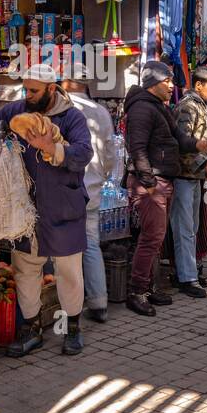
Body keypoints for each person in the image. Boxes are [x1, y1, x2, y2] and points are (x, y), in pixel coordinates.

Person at [0, 64, 93, 356]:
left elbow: (84, 153)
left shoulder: (72, 117)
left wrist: (53, 149)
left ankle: (71, 328)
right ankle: (32, 329)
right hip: (24, 209)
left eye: (34, 90)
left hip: (63, 207)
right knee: (26, 268)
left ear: (52, 89)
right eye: (26, 89)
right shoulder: (16, 111)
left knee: (68, 272)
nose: (28, 95)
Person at [124, 60, 207, 316]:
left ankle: (148, 287)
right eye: (167, 81)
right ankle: (136, 292)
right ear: (153, 83)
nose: (172, 86)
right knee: (151, 238)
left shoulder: (159, 107)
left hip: (161, 181)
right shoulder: (141, 110)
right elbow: (137, 149)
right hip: (152, 184)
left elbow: (177, 138)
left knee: (156, 238)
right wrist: (148, 183)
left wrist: (197, 145)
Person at [61, 69, 117, 323]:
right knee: (90, 244)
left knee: (61, 248)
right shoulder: (101, 111)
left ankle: (62, 302)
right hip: (92, 189)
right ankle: (99, 303)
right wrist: (102, 177)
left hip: (66, 188)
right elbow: (110, 154)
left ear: (67, 82)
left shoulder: (63, 110)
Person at [170, 65, 207, 298]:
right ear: (198, 85)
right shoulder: (187, 107)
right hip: (184, 176)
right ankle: (186, 277)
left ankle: (189, 271)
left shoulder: (201, 106)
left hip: (195, 176)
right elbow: (183, 144)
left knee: (192, 228)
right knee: (184, 229)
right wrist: (205, 164)